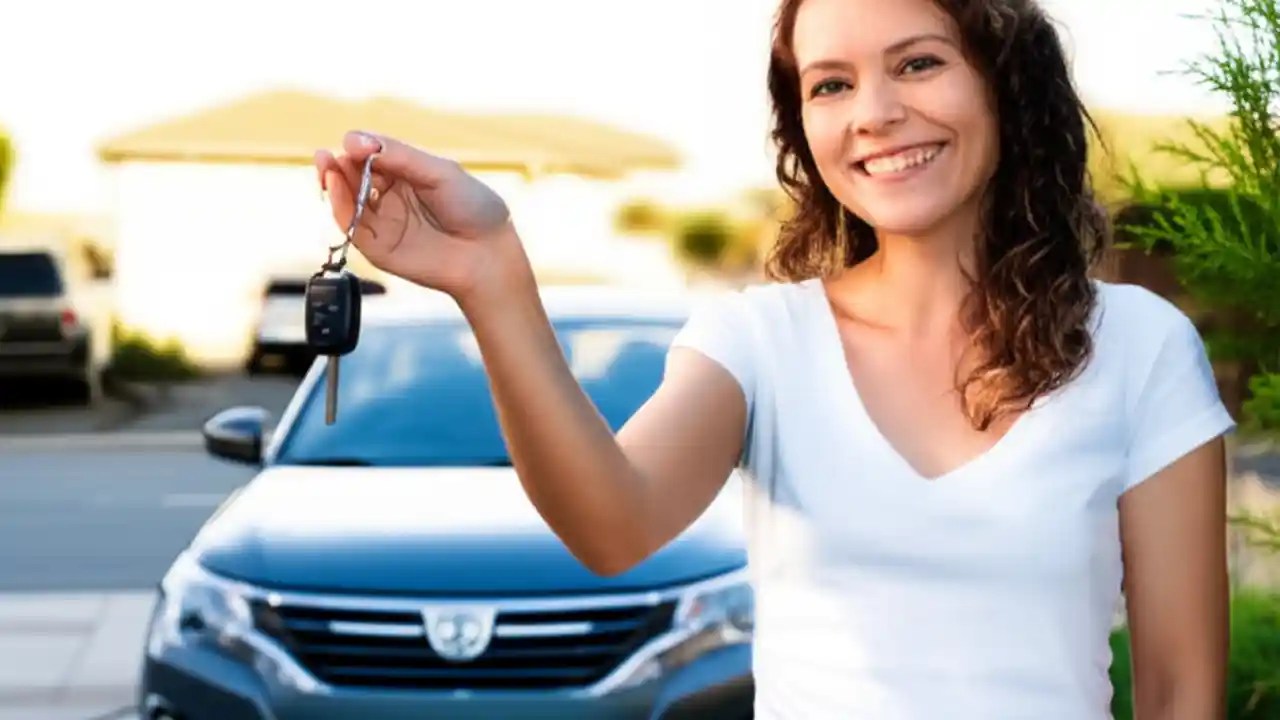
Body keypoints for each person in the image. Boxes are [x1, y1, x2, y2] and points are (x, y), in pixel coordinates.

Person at [313, 0, 1236, 716]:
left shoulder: (1141, 348)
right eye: (830, 85)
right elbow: (611, 524)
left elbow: (1177, 691)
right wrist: (492, 279)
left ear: (1007, 84)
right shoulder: (757, 341)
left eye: (918, 62)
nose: (874, 113)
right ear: (804, 129)